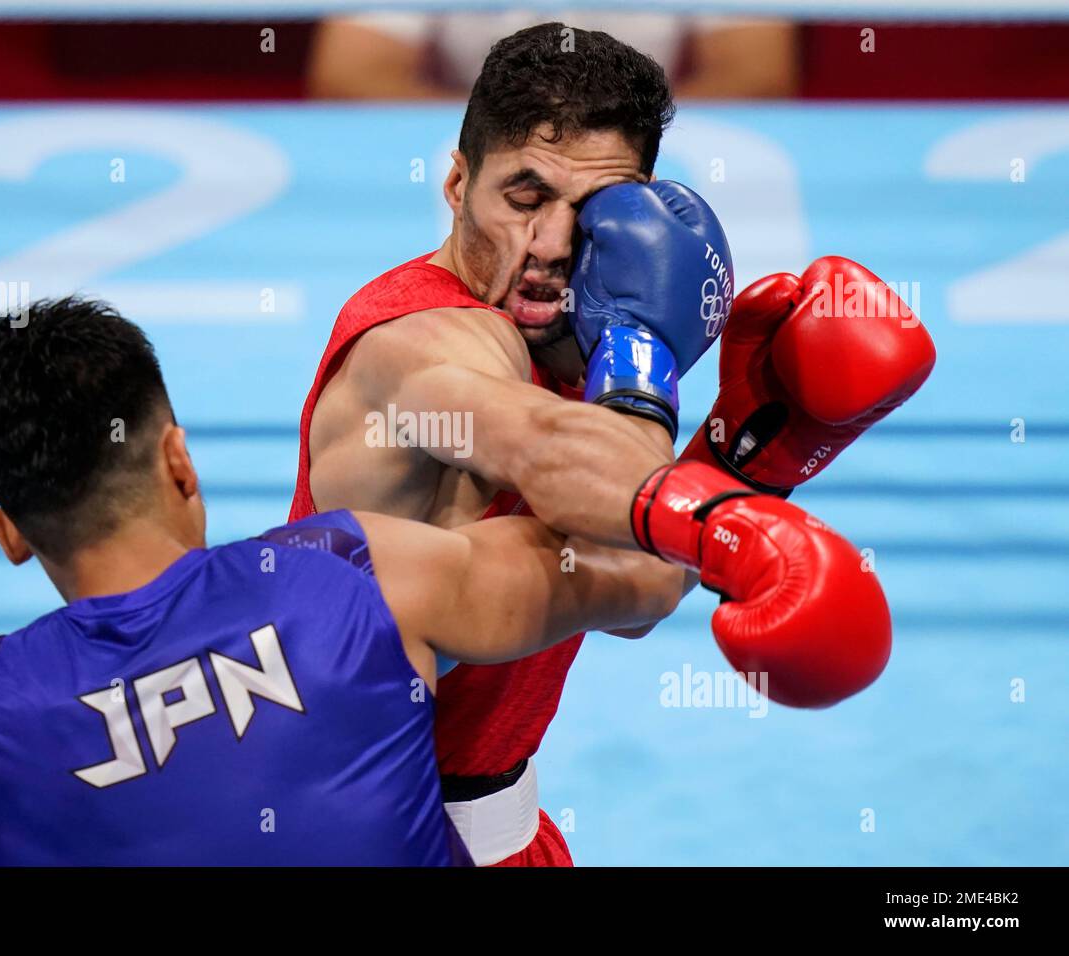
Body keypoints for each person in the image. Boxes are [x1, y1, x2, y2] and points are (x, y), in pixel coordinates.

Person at [0, 297, 892, 865]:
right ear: (180, 463)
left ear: (9, 534)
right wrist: (755, 451)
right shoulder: (356, 578)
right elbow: (625, 575)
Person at [290, 23, 936, 866]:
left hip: (502, 827)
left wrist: (748, 451)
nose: (553, 246)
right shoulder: (423, 341)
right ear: (456, 182)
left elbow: (628, 580)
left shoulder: (577, 346)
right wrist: (657, 385)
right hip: (347, 836)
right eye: (524, 197)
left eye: (593, 212)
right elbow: (557, 455)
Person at [307, 11, 799, 100]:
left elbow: (757, 71)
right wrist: (509, 127)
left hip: (647, 148)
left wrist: (617, 129)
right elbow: (351, 71)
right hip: (485, 142)